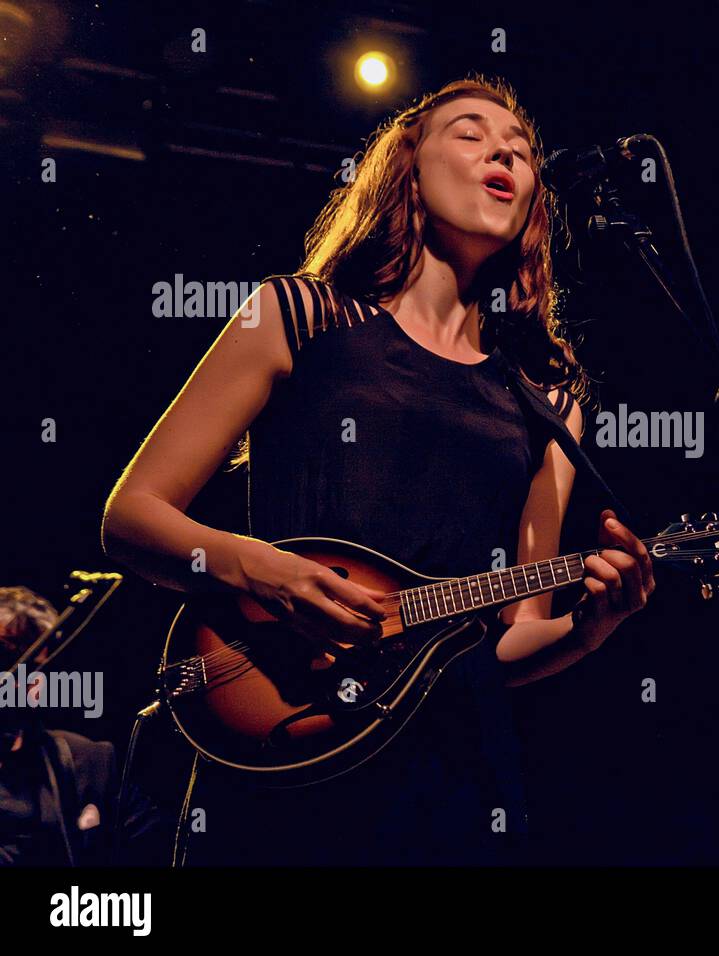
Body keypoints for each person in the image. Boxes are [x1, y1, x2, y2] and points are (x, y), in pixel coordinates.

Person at [100, 74, 655, 864]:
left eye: (522, 151)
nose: (503, 150)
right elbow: (131, 518)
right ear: (407, 169)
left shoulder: (548, 396)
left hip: (455, 772)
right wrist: (264, 572)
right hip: (289, 730)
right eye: (469, 133)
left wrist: (592, 628)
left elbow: (511, 639)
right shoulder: (294, 313)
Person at [0, 586, 164, 866]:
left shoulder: (90, 761)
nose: (21, 681)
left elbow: (156, 851)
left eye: (36, 666)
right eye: (6, 660)